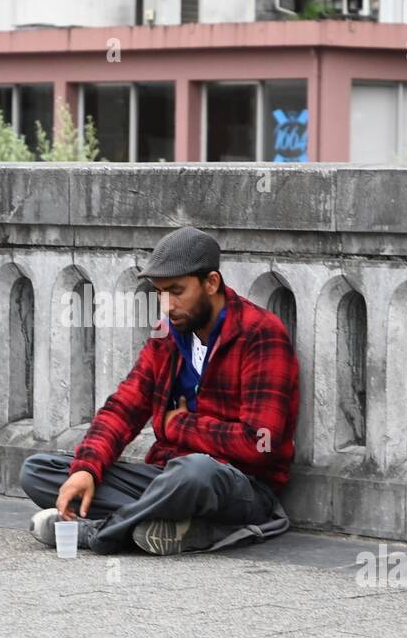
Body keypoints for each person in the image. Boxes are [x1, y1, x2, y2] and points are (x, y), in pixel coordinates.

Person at [19, 226, 300, 555]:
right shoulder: (167, 333)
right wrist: (86, 468)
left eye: (177, 291)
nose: (167, 304)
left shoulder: (260, 333)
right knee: (39, 471)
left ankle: (97, 533)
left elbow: (259, 443)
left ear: (211, 283)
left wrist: (177, 425)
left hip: (238, 484)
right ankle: (177, 526)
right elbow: (123, 407)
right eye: (160, 293)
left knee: (195, 471)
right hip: (166, 477)